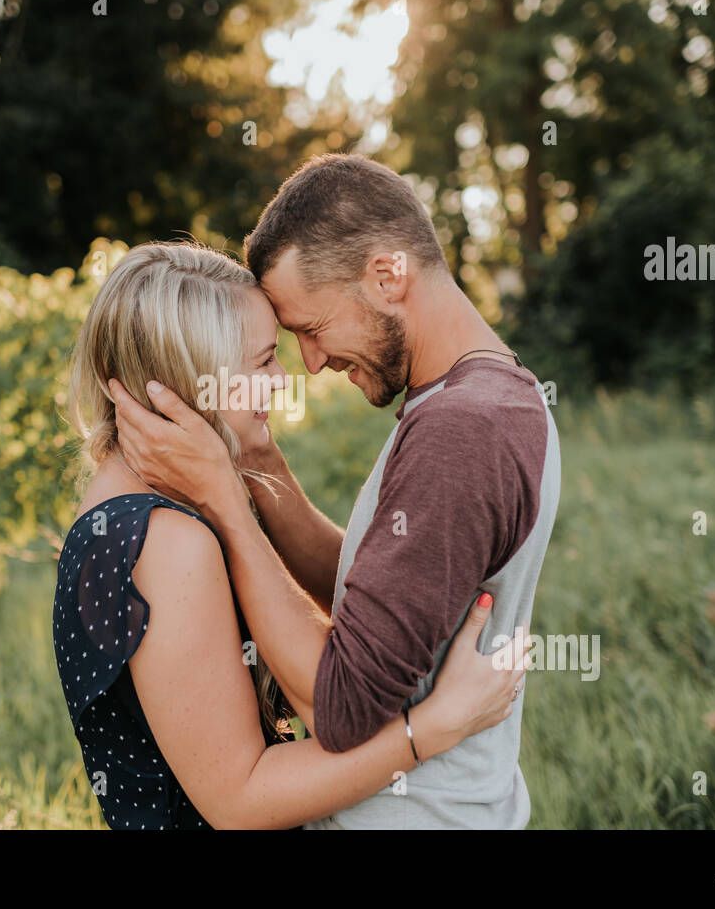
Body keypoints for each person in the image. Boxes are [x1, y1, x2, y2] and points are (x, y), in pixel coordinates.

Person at [109, 154, 561, 829]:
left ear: (386, 274)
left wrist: (226, 504)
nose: (312, 364)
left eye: (312, 330)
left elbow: (341, 708)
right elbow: (376, 594)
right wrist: (258, 460)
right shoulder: (484, 393)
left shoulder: (462, 432)